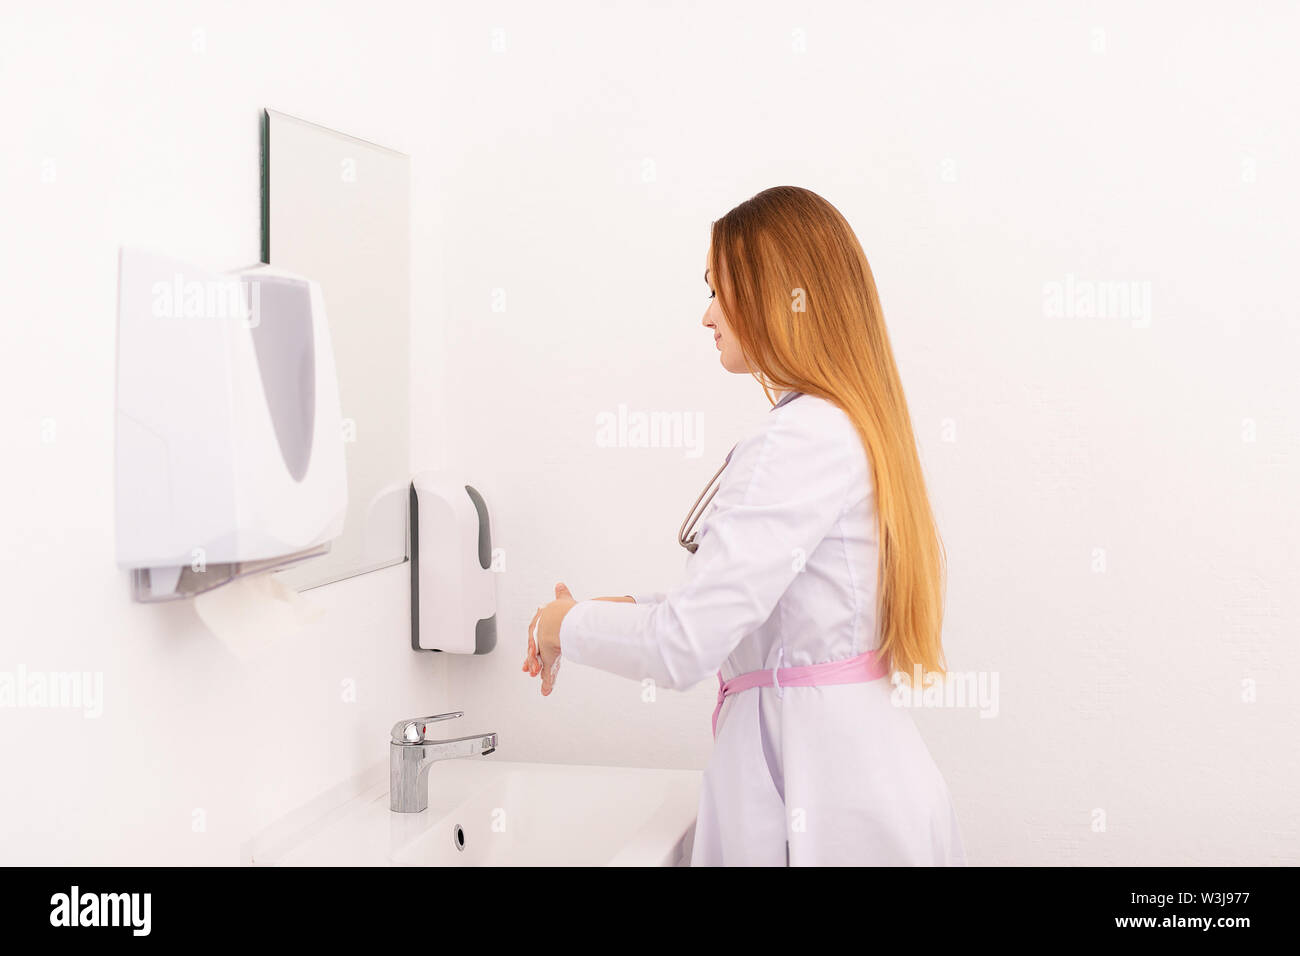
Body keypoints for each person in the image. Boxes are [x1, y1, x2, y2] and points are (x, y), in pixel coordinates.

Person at [523, 185, 966, 866]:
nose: (706, 316)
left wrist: (559, 628)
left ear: (777, 293)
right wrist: (604, 610)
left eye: (718, 289)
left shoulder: (797, 439)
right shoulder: (841, 427)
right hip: (860, 789)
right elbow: (771, 615)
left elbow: (683, 648)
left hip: (820, 806)